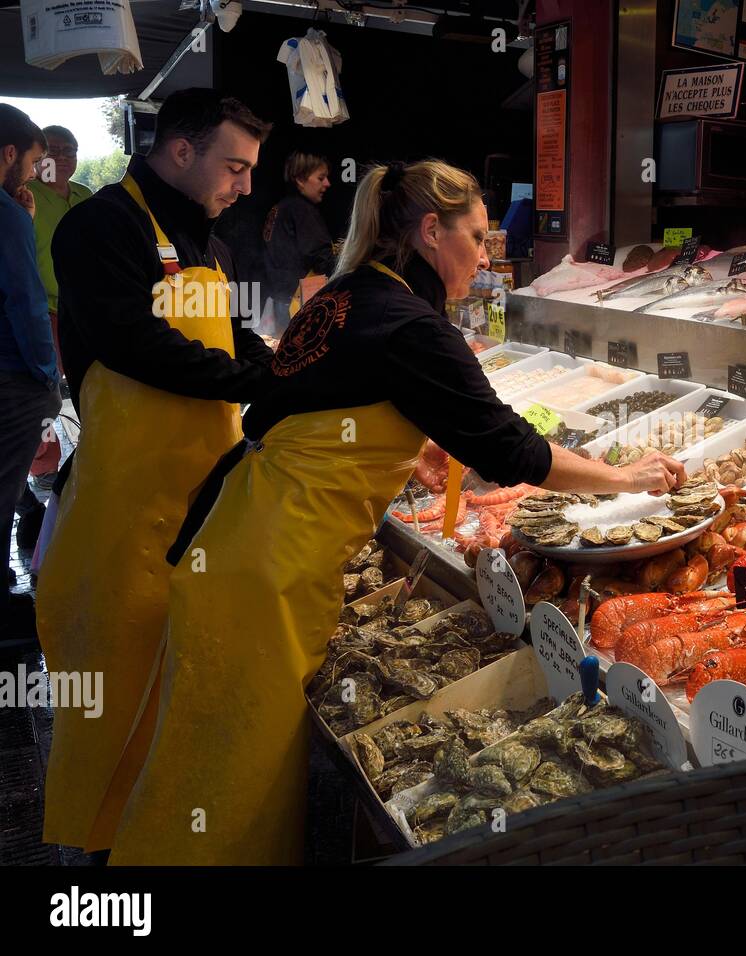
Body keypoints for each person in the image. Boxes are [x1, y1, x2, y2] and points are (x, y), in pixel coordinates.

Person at [108, 159, 686, 865]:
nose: (485, 254)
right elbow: (512, 450)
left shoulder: (345, 294)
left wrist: (400, 451)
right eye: (477, 237)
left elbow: (299, 409)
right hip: (265, 570)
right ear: (431, 230)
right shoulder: (412, 322)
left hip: (240, 540)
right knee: (225, 784)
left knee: (209, 760)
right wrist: (621, 477)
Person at [38, 89, 276, 854]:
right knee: (111, 689)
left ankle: (168, 835)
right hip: (121, 510)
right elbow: (135, 344)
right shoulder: (98, 227)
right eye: (234, 167)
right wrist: (259, 385)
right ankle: (104, 852)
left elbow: (234, 336)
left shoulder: (207, 241)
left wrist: (295, 371)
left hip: (201, 503)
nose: (244, 186)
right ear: (180, 150)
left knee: (183, 687)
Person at [0, 105, 61, 630]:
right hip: (11, 378)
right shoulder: (7, 215)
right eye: (35, 161)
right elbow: (26, 298)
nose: (35, 174)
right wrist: (47, 374)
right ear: (9, 154)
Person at [16, 126, 91, 549]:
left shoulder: (85, 196)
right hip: (39, 310)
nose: (64, 157)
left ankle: (88, 460)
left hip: (82, 308)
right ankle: (39, 476)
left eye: (71, 149)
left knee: (87, 385)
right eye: (55, 150)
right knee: (42, 393)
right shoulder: (23, 199)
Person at [263, 150, 333, 333]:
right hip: (299, 304)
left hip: (280, 300)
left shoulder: (281, 207)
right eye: (321, 178)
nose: (327, 183)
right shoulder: (302, 210)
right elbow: (321, 258)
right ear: (300, 180)